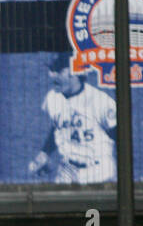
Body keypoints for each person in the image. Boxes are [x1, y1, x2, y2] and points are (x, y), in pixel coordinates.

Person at [30, 52, 118, 184]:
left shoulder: (101, 102)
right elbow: (58, 126)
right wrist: (45, 153)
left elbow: (120, 137)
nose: (53, 75)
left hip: (99, 170)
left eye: (59, 71)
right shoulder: (52, 98)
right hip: (67, 169)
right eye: (52, 70)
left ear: (75, 73)